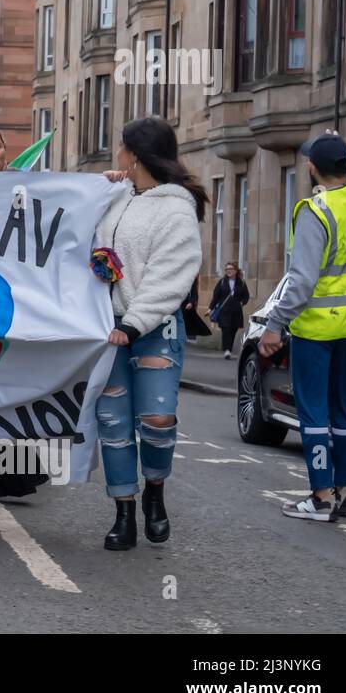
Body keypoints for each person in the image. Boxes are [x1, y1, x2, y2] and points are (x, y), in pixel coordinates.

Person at [96, 117, 206, 551]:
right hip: (107, 329)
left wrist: (133, 323)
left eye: (121, 149)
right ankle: (123, 509)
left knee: (157, 419)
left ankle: (155, 491)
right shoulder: (117, 198)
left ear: (135, 155)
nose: (116, 156)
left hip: (153, 328)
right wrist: (99, 189)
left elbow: (170, 277)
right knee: (113, 422)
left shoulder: (177, 208)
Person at [260, 133, 346, 523]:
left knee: (313, 413)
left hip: (315, 329)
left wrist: (275, 325)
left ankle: (320, 497)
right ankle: (345, 493)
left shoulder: (316, 210)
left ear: (311, 168)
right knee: (343, 410)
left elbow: (302, 280)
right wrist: (339, 147)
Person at [208, 262, 251, 359]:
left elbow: (246, 296)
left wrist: (242, 303)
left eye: (230, 269)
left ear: (235, 271)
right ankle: (226, 350)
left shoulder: (242, 282)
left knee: (233, 330)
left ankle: (229, 349)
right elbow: (216, 296)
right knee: (226, 329)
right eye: (227, 269)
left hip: (236, 311)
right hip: (224, 311)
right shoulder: (222, 282)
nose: (228, 271)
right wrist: (210, 308)